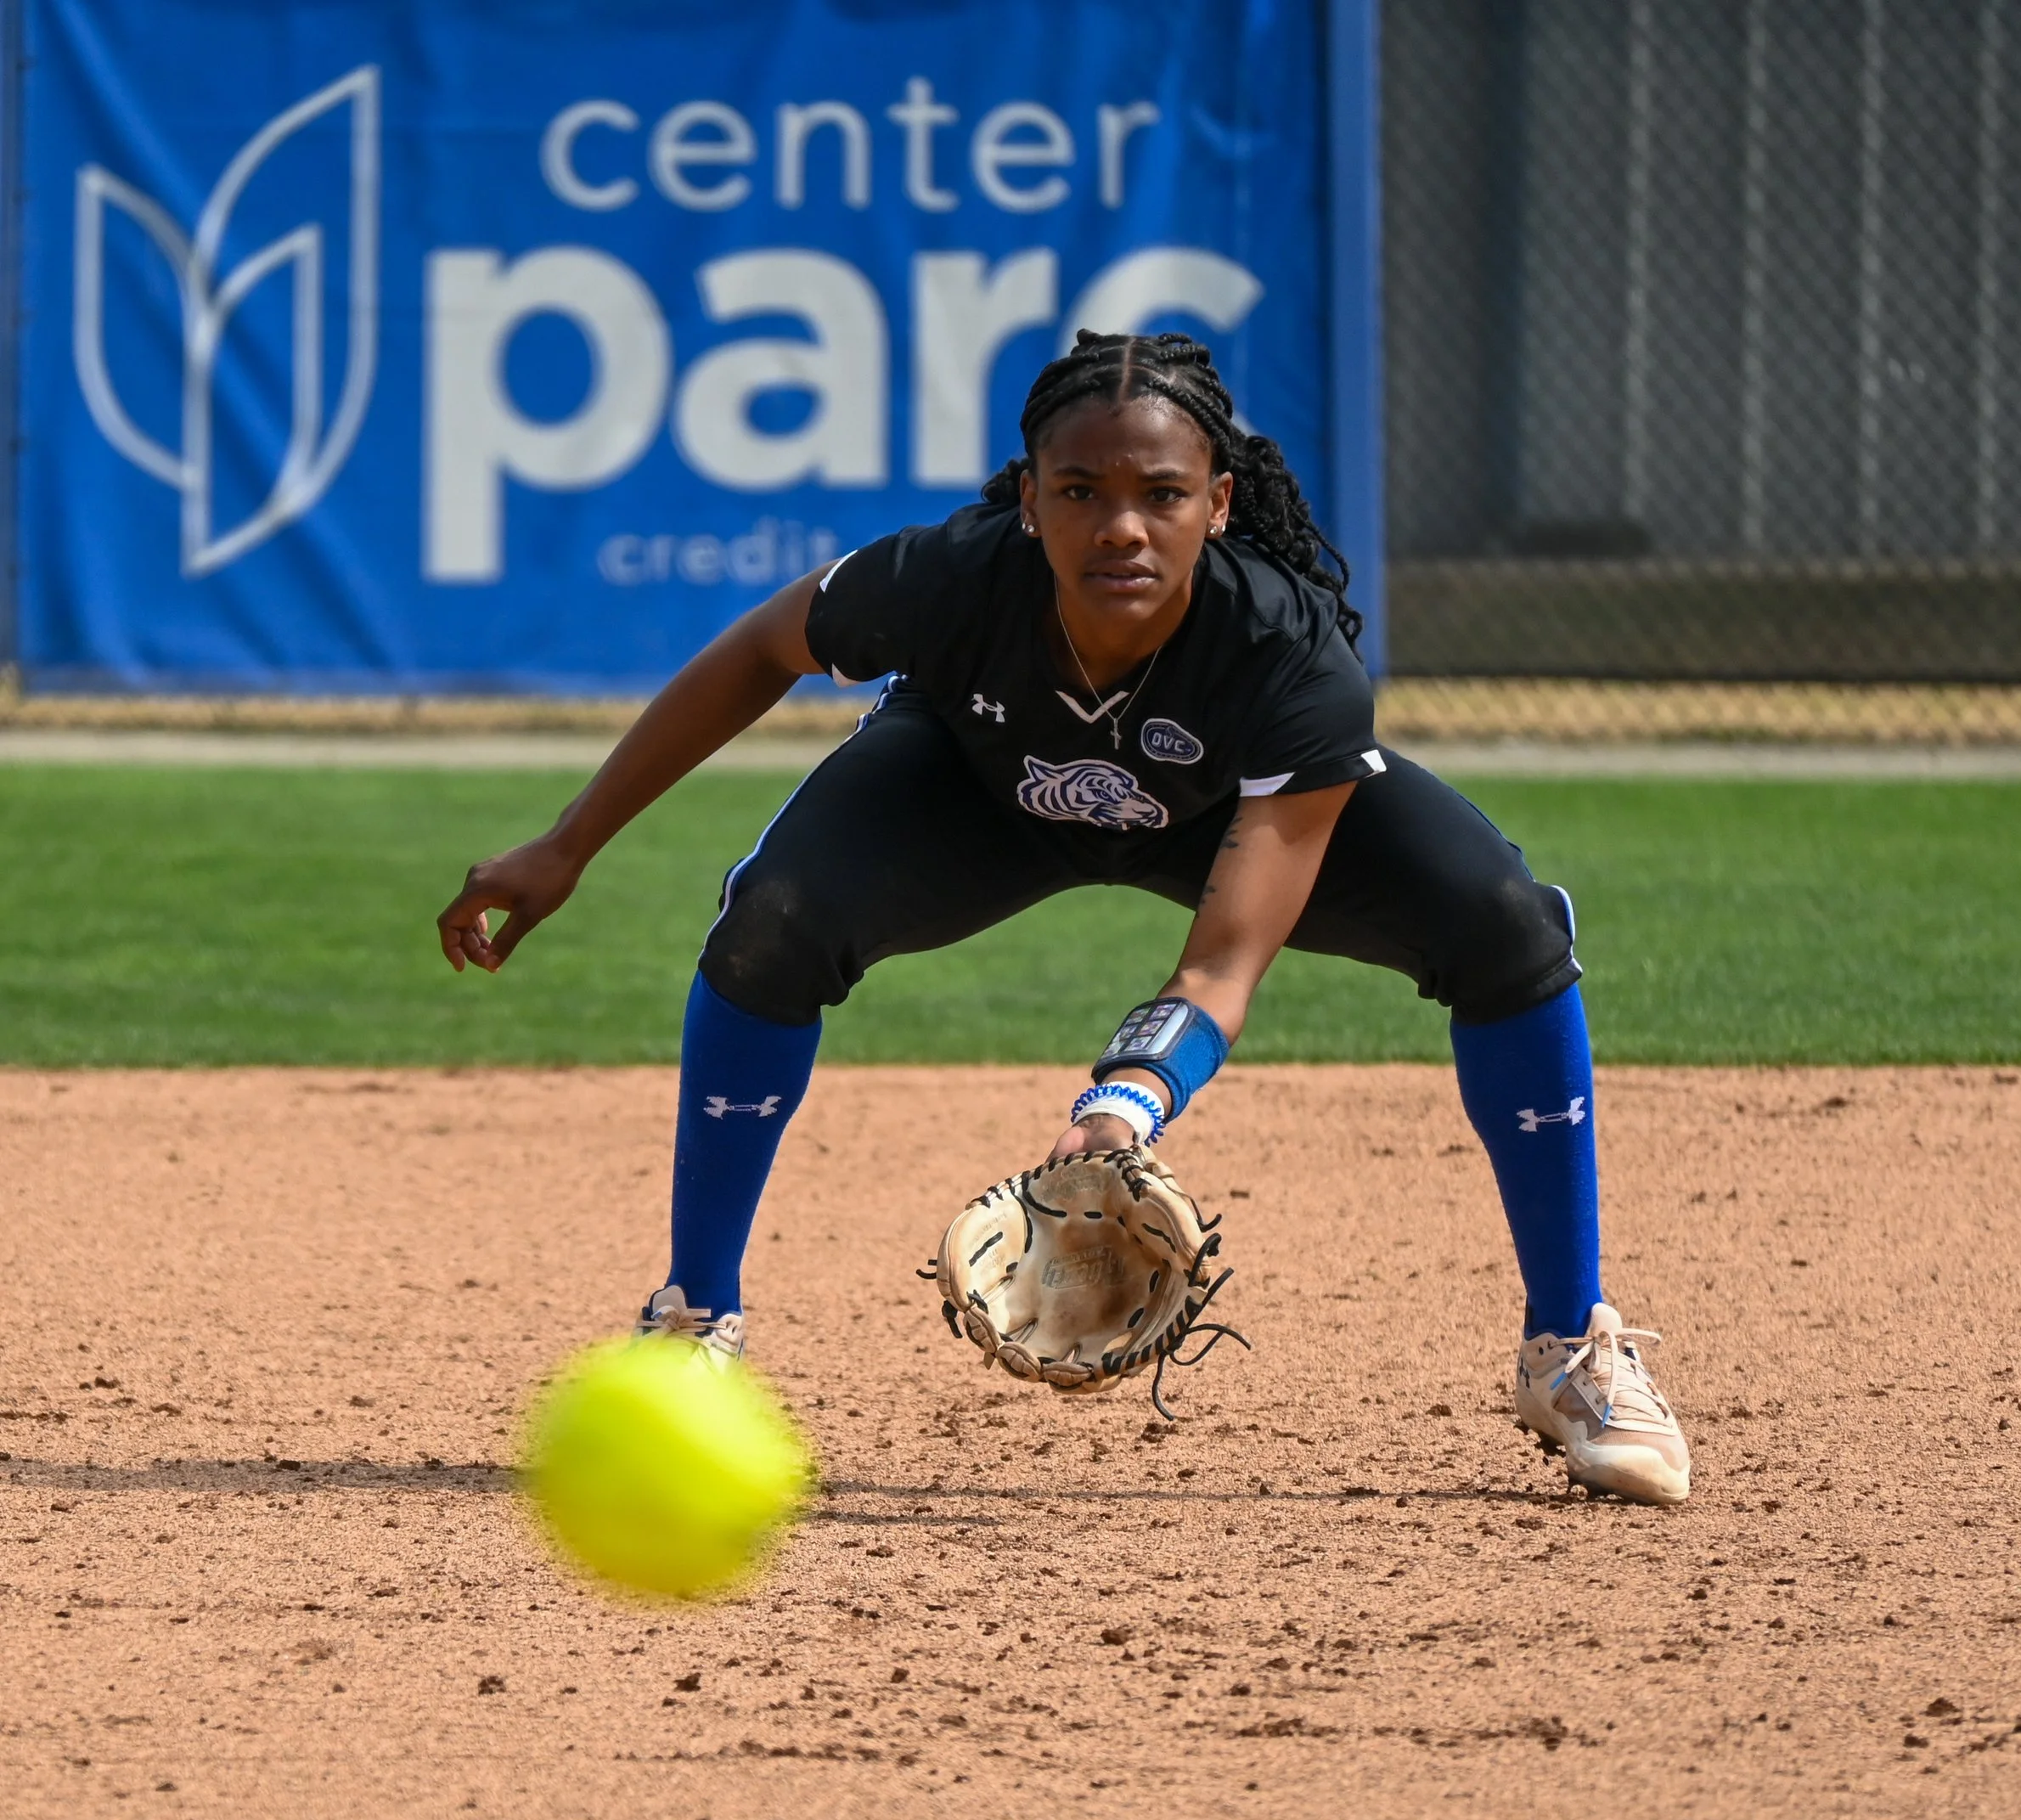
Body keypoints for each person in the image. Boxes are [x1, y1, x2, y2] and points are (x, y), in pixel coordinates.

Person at [437, 331, 1690, 1507]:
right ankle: (694, 1322)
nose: (1122, 524)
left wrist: (1126, 1102)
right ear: (1028, 499)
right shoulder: (950, 579)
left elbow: (1225, 958)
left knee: (1504, 924)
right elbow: (766, 647)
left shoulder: (1287, 656)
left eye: (1161, 491)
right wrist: (569, 844)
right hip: (979, 787)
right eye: (1080, 490)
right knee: (773, 919)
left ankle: (1571, 1348)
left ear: (1219, 505)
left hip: (1221, 817)